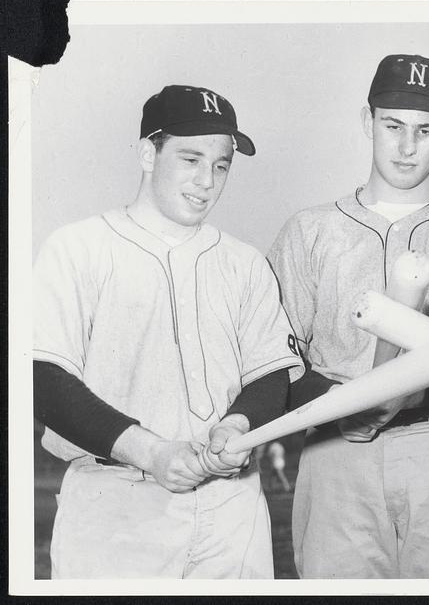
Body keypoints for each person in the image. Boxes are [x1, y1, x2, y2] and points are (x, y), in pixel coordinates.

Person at [33, 84, 304, 578]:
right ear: (147, 152)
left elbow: (271, 374)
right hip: (115, 504)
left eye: (221, 164)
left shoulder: (244, 262)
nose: (207, 180)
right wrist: (151, 451)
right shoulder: (78, 248)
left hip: (232, 505)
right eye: (190, 158)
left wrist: (238, 425)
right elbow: (43, 378)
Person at [269, 54, 429, 578]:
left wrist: (413, 393)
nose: (407, 147)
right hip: (337, 444)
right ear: (368, 121)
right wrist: (345, 406)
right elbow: (279, 358)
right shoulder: (308, 230)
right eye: (393, 126)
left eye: (425, 130)